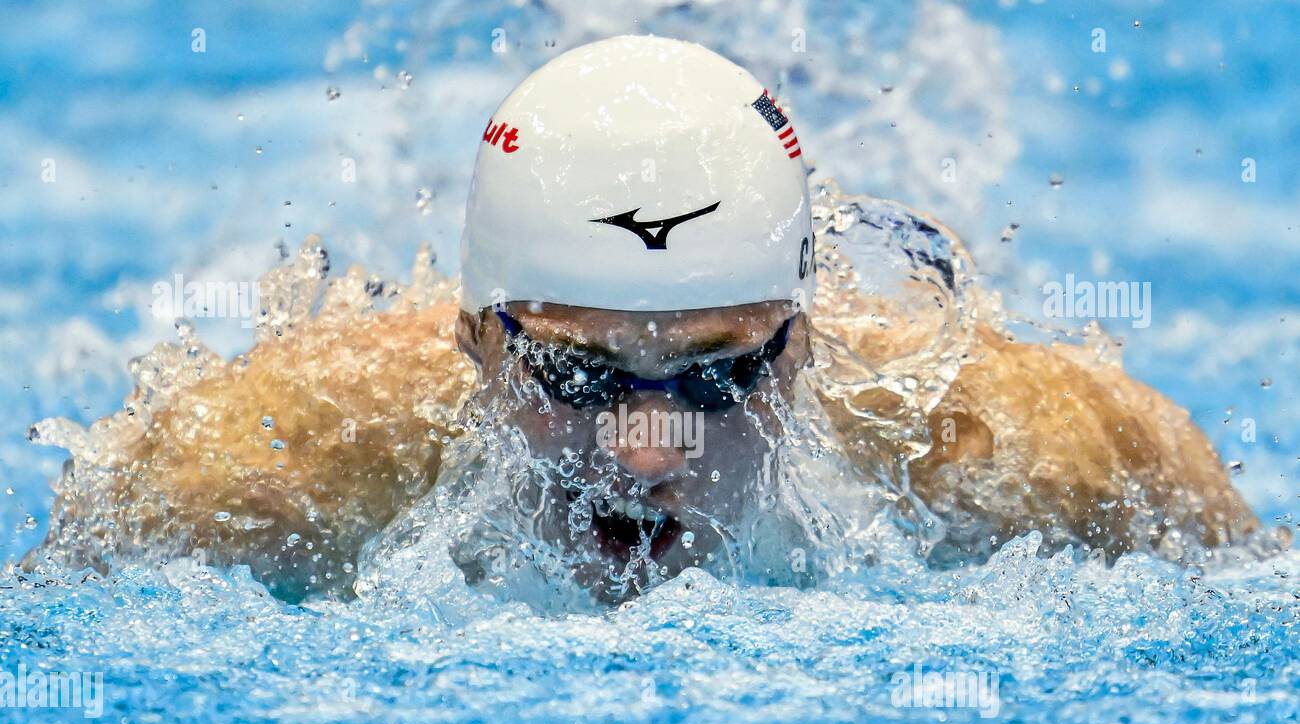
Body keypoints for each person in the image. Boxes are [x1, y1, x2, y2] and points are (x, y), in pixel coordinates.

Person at [24, 36, 1260, 603]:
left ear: (805, 347)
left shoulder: (1023, 450)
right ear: (474, 345)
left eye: (721, 375)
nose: (646, 449)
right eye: (575, 372)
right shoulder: (260, 471)